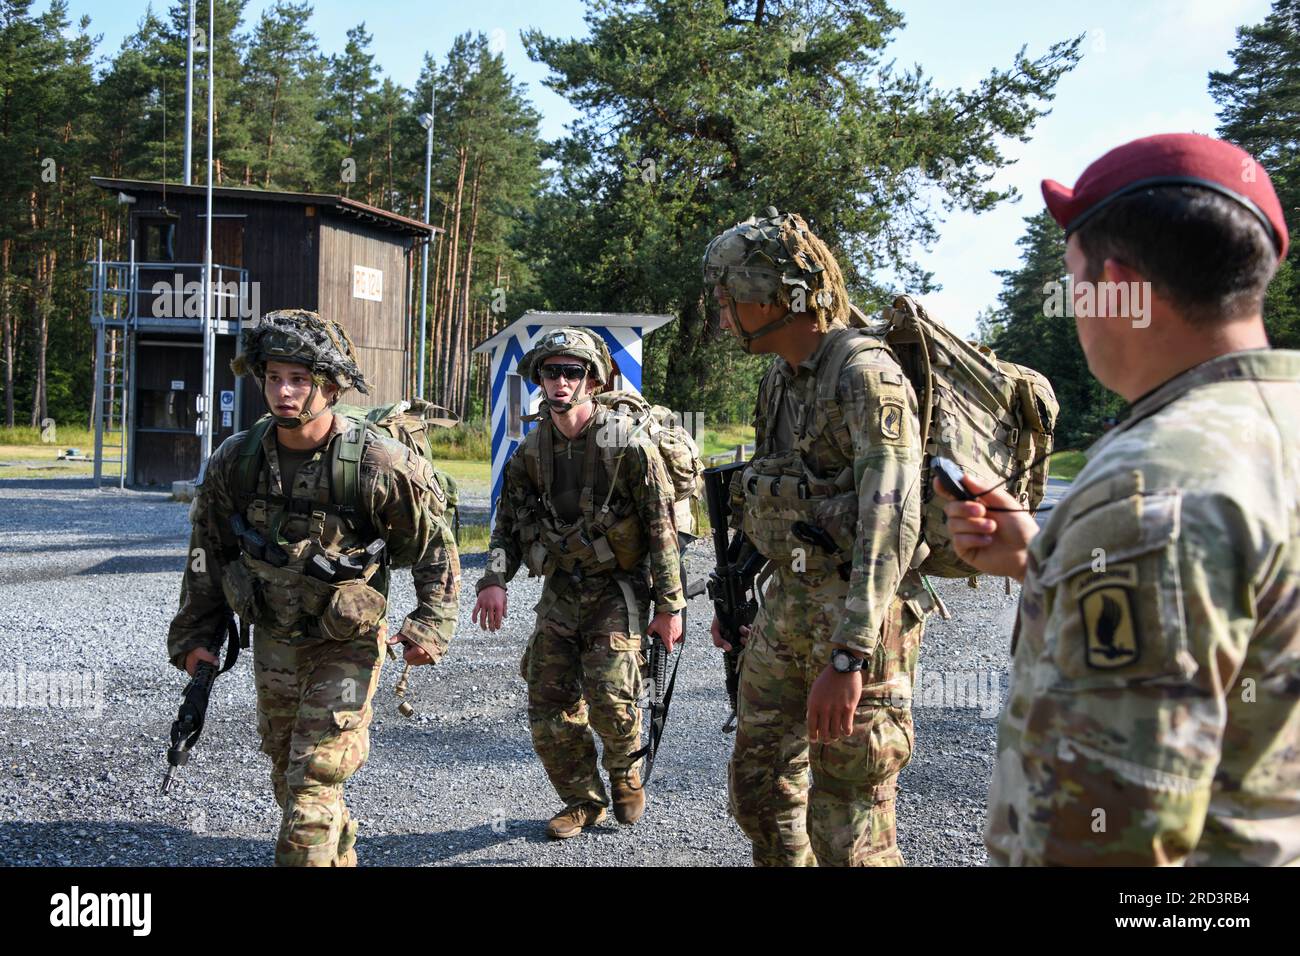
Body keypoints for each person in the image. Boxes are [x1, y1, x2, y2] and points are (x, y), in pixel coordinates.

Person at [936, 133, 1299, 865]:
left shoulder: (1149, 485)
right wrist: (1043, 564)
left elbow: (1112, 837)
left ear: (1123, 288)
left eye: (1075, 285)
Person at [166, 309, 460, 866]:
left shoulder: (378, 463)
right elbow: (208, 551)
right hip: (273, 637)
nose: (284, 391)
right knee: (287, 769)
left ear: (327, 384)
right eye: (274, 377)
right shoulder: (237, 459)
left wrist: (429, 624)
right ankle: (338, 849)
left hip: (347, 644)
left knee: (313, 782)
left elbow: (434, 547)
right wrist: (193, 637)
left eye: (299, 379)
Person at [703, 209, 937, 866]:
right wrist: (740, 597)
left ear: (784, 297)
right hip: (793, 599)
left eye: (733, 300)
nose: (724, 317)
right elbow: (775, 489)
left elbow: (894, 519)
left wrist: (848, 658)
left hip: (863, 615)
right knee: (758, 789)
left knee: (849, 820)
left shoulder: (867, 376)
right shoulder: (779, 377)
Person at [472, 327, 685, 839]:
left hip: (618, 587)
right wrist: (494, 578)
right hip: (563, 588)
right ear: (539, 379)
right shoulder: (532, 448)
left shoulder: (626, 444)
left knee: (612, 696)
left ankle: (624, 772)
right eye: (552, 371)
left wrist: (670, 605)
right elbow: (508, 520)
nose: (561, 381)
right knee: (547, 699)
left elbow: (661, 525)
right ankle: (582, 800)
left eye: (573, 372)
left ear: (591, 379)